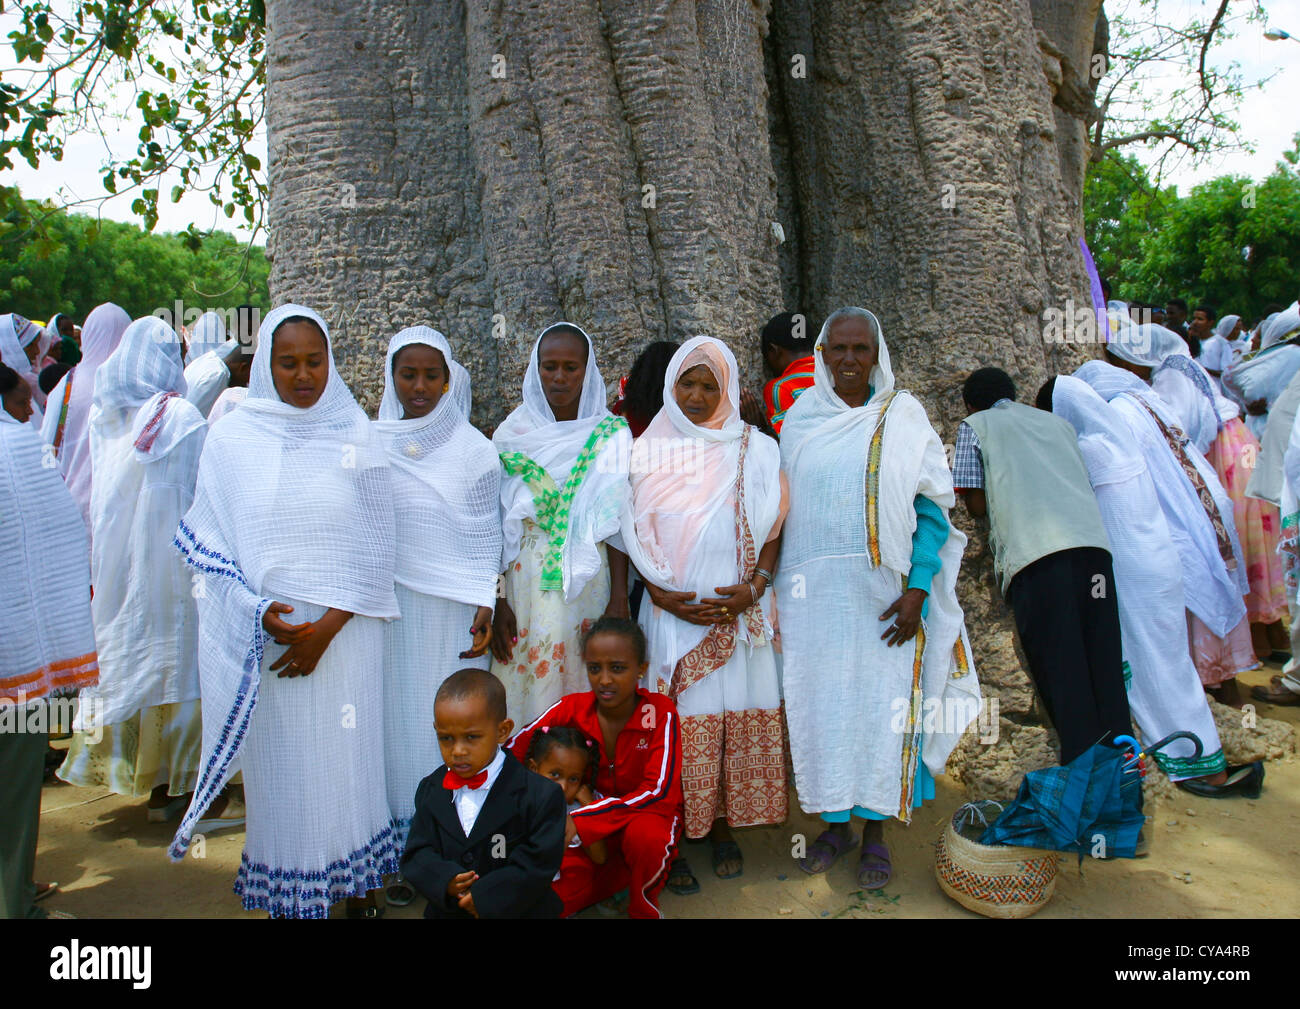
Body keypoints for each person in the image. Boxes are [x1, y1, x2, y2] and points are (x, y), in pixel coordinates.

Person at [167, 304, 401, 919]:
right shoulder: (233, 438)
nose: (303, 375)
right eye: (288, 362)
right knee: (286, 768)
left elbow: (379, 542)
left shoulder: (356, 432)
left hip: (345, 637)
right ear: (265, 366)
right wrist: (254, 610)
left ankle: (357, 888)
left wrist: (328, 627)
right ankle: (294, 890)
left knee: (348, 761)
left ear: (331, 362)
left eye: (314, 361)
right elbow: (212, 542)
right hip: (268, 636)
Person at [777, 307, 979, 886]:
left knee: (883, 713)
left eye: (859, 349)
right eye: (836, 349)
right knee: (824, 711)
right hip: (815, 606)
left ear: (876, 354)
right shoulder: (799, 422)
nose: (848, 360)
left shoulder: (904, 417)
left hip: (887, 604)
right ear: (820, 354)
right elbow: (782, 514)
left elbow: (932, 512)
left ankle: (876, 835)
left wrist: (918, 589)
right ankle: (834, 826)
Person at [618, 335, 787, 891]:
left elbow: (773, 527)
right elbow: (631, 531)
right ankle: (676, 833)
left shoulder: (756, 448)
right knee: (678, 726)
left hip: (736, 614)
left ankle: (719, 828)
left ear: (727, 389)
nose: (695, 395)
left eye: (708, 385)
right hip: (671, 616)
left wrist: (755, 588)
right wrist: (656, 589)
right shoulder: (646, 451)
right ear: (669, 386)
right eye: (686, 383)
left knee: (728, 714)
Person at [1039, 376, 1258, 795]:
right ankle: (1204, 754)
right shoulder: (1118, 440)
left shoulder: (1087, 451)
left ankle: (1195, 764)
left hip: (1136, 575)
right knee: (1170, 662)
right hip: (1161, 567)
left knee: (1154, 667)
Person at [56, 317, 211, 822]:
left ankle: (144, 778)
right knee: (179, 663)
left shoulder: (111, 420)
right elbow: (196, 498)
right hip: (177, 569)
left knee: (134, 656)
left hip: (119, 569)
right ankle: (181, 787)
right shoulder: (181, 416)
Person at [374, 326, 501, 905]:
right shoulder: (371, 443)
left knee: (451, 732)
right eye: (408, 374)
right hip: (393, 615)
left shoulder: (475, 450)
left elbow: (486, 538)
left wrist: (484, 600)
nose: (419, 386)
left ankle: (457, 861)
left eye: (431, 375)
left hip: (450, 616)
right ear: (391, 378)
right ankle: (408, 859)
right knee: (398, 730)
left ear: (450, 380)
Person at [955, 367, 1131, 764]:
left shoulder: (975, 425)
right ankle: (1124, 780)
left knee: (1063, 669)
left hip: (1038, 558)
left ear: (969, 403)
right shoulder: (1057, 423)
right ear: (1014, 394)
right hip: (1093, 552)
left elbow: (977, 504)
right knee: (1103, 664)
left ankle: (1086, 782)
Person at [1074, 360, 1256, 701]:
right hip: (1203, 506)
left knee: (1193, 601)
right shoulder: (1148, 402)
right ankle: (1224, 695)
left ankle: (1214, 700)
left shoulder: (1120, 413)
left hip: (1175, 514)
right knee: (1211, 580)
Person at [491, 322, 632, 725]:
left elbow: (617, 522)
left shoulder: (611, 434)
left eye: (571, 367)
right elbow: (498, 526)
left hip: (588, 581)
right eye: (549, 366)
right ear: (535, 370)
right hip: (524, 583)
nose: (559, 377)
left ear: (589, 372)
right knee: (525, 681)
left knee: (582, 674)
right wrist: (499, 600)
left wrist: (619, 597)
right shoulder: (511, 436)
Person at [510, 617, 683, 919]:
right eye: (594, 668)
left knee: (646, 838)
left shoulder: (659, 712)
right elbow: (516, 749)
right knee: (549, 903)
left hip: (640, 820)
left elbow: (658, 792)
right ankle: (614, 880)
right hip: (589, 837)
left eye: (617, 668)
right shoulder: (572, 709)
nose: (604, 680)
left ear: (641, 669)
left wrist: (588, 816)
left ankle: (642, 904)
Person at [1, 395, 98, 919]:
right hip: (14, 659)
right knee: (13, 795)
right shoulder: (17, 445)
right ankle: (14, 904)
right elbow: (61, 536)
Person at [401, 668, 566, 919]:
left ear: (502, 731)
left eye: (471, 737)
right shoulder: (431, 789)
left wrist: (488, 896)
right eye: (446, 738)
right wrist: (445, 879)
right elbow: (417, 853)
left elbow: (539, 863)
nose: (457, 750)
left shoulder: (541, 795)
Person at [523, 726, 607, 869]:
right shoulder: (520, 802)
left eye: (573, 779)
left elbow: (600, 857)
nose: (563, 787)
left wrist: (588, 806)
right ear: (534, 769)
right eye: (555, 775)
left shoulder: (576, 810)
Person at [758, 311, 816, 434]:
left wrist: (758, 427)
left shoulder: (781, 388)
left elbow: (788, 443)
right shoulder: (833, 372)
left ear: (773, 350)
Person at [0, 313, 45, 421]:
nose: (37, 351)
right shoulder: (7, 390)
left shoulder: (22, 380)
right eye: (30, 345)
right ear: (10, 346)